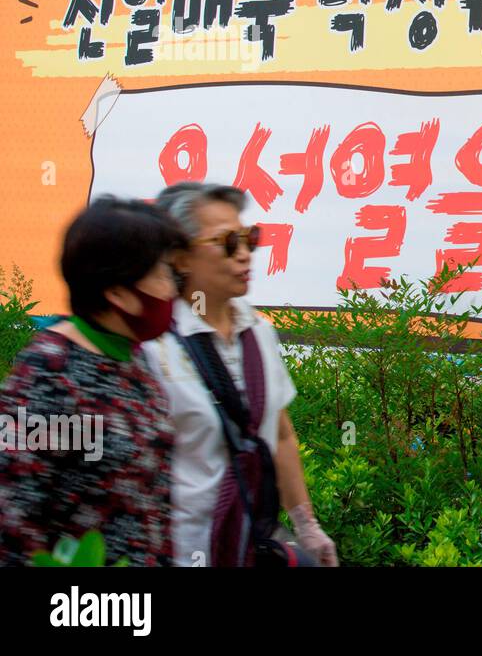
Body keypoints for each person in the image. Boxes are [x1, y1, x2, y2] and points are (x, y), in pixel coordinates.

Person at [142, 182, 338, 567]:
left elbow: (280, 434)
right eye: (228, 242)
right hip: (181, 553)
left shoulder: (259, 333)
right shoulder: (155, 347)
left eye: (250, 238)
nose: (246, 254)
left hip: (252, 547)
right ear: (180, 258)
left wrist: (306, 525)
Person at [0, 197, 184, 566]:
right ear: (117, 293)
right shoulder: (53, 373)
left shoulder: (130, 356)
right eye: (162, 275)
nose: (173, 291)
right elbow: (15, 516)